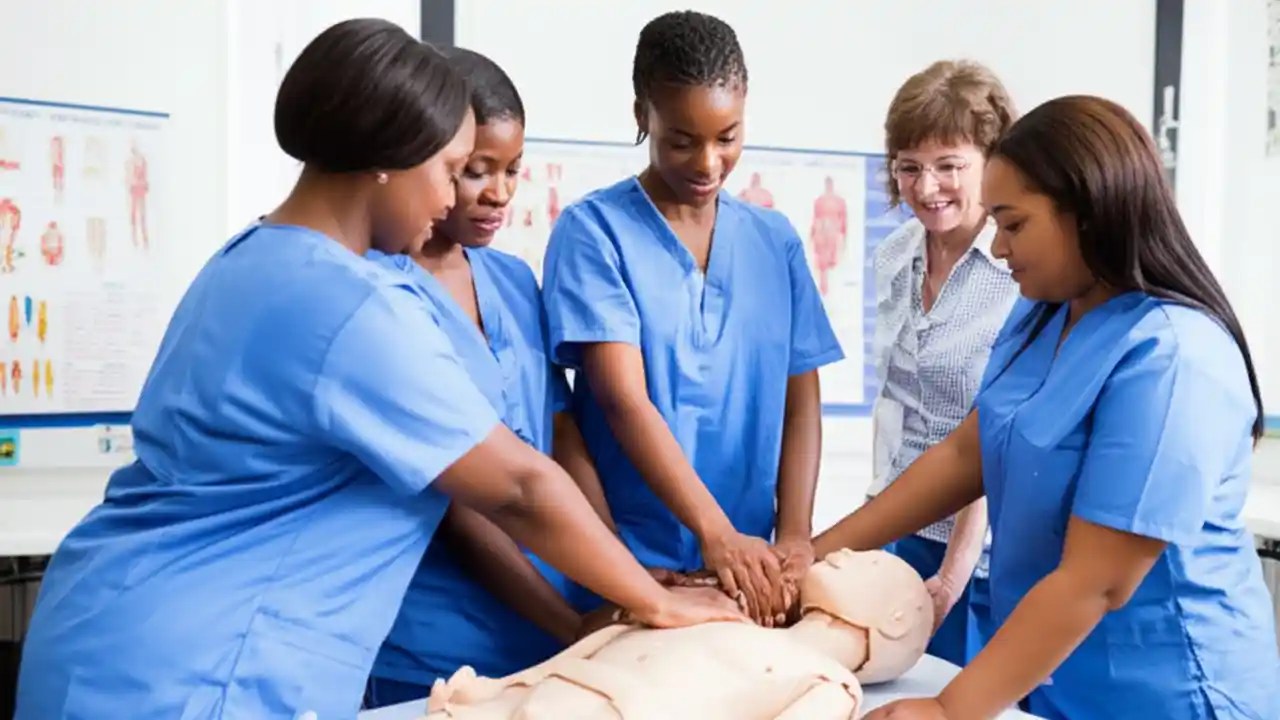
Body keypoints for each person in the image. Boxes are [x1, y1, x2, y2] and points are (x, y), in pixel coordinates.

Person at [13, 19, 741, 720]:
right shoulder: (346, 304)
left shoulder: (250, 261)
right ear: (391, 161)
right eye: (453, 171)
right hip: (199, 664)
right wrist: (658, 601)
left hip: (111, 634)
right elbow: (517, 486)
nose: (454, 196)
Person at [817, 95, 1280, 720]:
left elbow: (1098, 580)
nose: (1000, 249)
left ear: (1088, 213)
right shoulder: (1043, 314)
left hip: (1172, 691)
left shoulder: (1173, 355)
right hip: (1057, 680)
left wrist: (950, 710)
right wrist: (815, 554)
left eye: (1012, 224)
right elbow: (964, 454)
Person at [541, 9, 844, 626]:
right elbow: (623, 399)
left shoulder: (774, 239)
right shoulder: (595, 233)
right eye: (682, 140)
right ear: (641, 115)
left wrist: (793, 534)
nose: (708, 163)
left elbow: (800, 400)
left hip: (749, 572)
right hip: (637, 570)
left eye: (727, 137)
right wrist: (713, 532)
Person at [363, 47, 606, 708]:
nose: (498, 192)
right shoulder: (376, 293)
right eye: (474, 171)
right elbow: (459, 502)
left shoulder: (512, 281)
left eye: (512, 170)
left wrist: (612, 573)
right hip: (432, 644)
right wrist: (571, 627)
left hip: (558, 623)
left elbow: (561, 432)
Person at [869, 60, 1019, 665]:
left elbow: (995, 430)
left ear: (994, 162)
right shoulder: (893, 254)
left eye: (950, 165)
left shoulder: (1018, 269)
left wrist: (955, 574)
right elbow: (896, 403)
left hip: (984, 550)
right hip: (904, 526)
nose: (927, 187)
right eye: (909, 167)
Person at [420, 549, 933, 720]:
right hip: (551, 694)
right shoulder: (720, 614)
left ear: (896, 622)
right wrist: (509, 684)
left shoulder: (831, 683)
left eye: (865, 560)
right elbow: (611, 643)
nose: (842, 553)